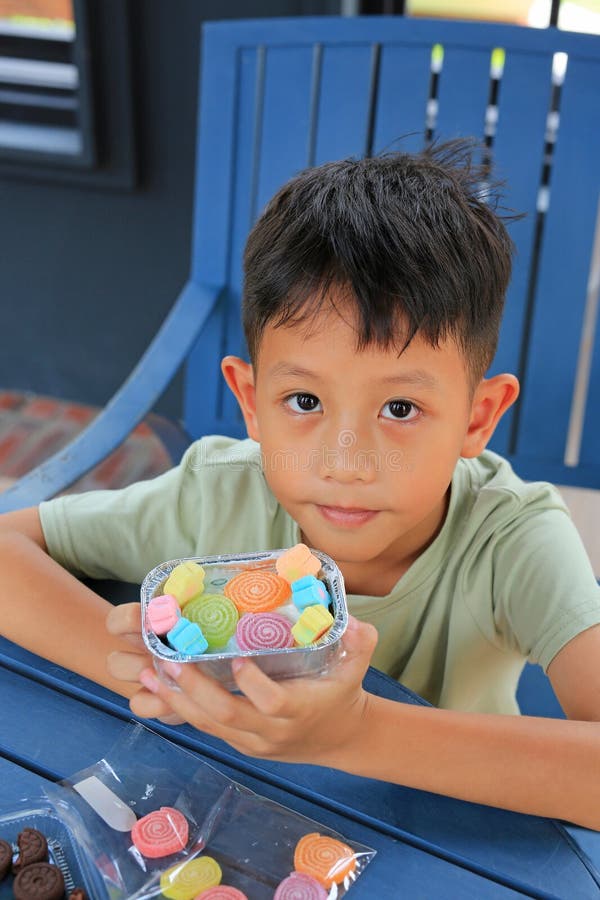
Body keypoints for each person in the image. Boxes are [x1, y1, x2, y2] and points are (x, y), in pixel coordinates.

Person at [1, 140, 600, 829]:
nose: (345, 463)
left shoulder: (514, 537)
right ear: (251, 402)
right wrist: (164, 677)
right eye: (305, 402)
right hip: (236, 810)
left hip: (458, 836)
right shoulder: (218, 493)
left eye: (400, 408)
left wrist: (355, 733)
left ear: (478, 417)